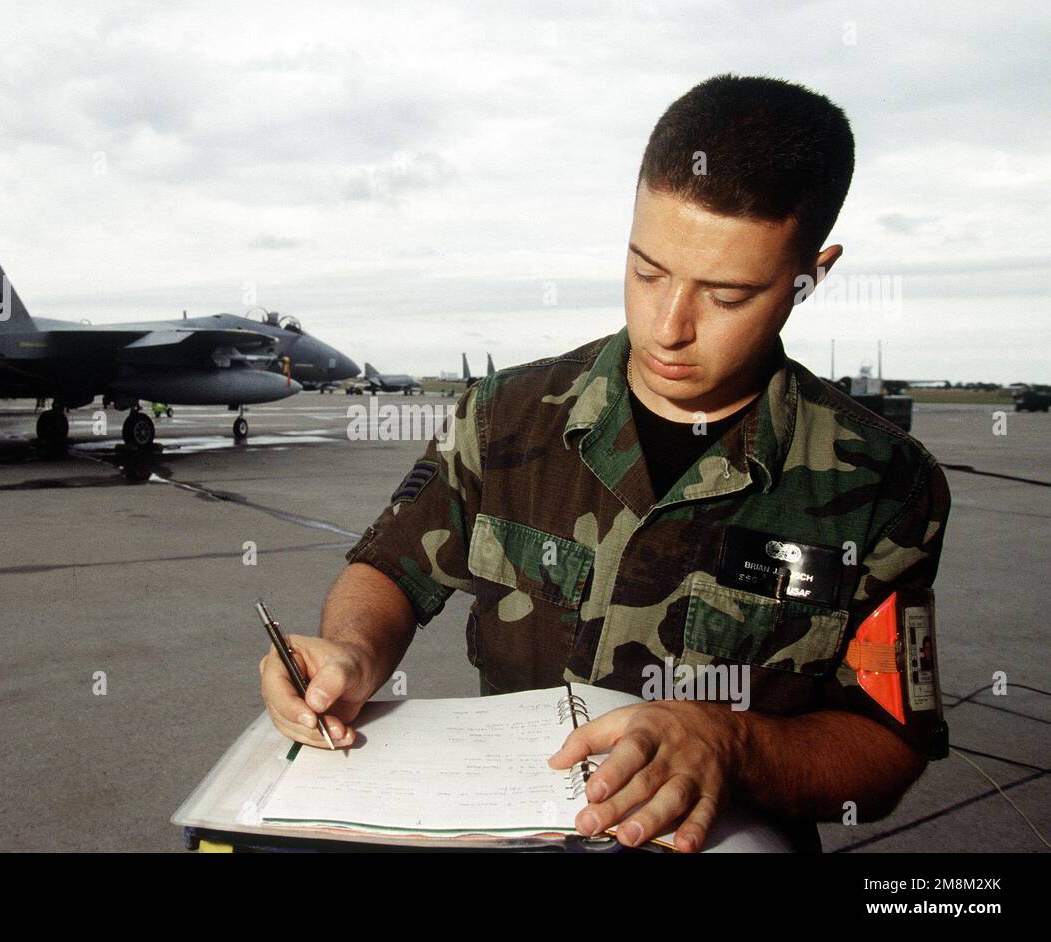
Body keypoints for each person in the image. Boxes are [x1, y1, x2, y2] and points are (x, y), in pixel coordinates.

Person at [258, 74, 950, 853]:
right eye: (648, 270)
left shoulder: (883, 483)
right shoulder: (505, 414)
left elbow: (887, 747)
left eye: (726, 296)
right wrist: (351, 652)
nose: (669, 326)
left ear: (808, 276)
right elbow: (388, 567)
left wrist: (731, 745)